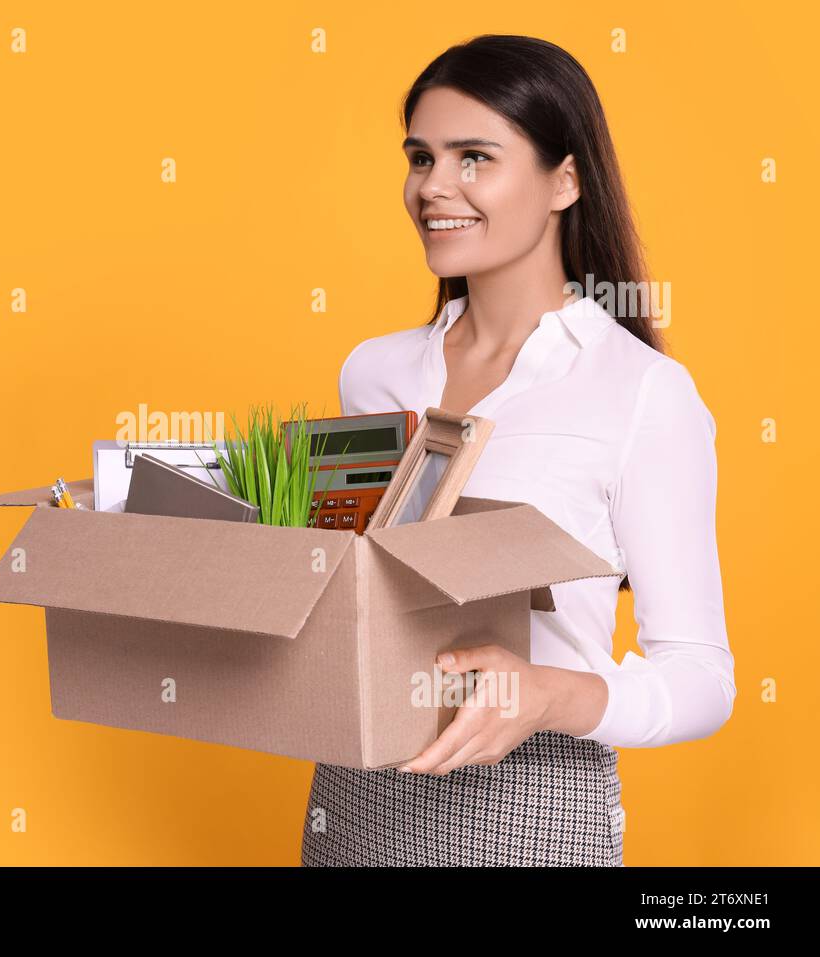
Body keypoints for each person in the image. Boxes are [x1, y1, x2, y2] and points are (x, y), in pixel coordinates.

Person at [300, 34, 735, 867]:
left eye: (475, 158)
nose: (435, 187)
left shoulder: (640, 392)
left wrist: (541, 693)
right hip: (352, 795)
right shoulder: (374, 371)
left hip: (531, 803)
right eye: (422, 157)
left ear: (564, 181)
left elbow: (703, 678)